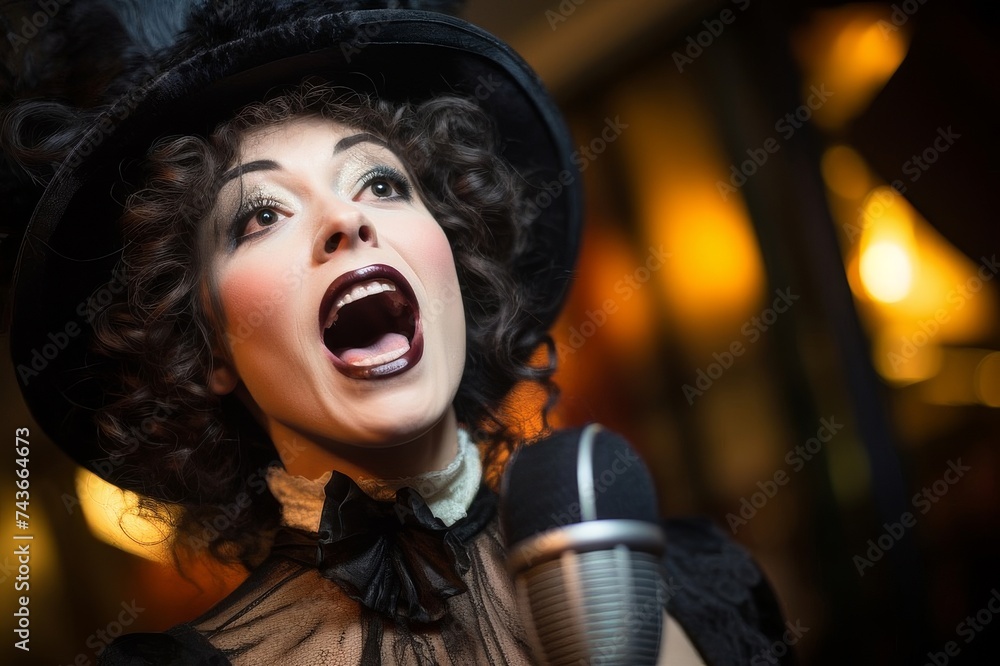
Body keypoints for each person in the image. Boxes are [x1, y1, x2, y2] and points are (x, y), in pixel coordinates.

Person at [4, 1, 792, 663]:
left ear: (453, 263)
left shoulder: (706, 587)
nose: (346, 219)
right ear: (205, 346)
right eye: (263, 215)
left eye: (381, 183)